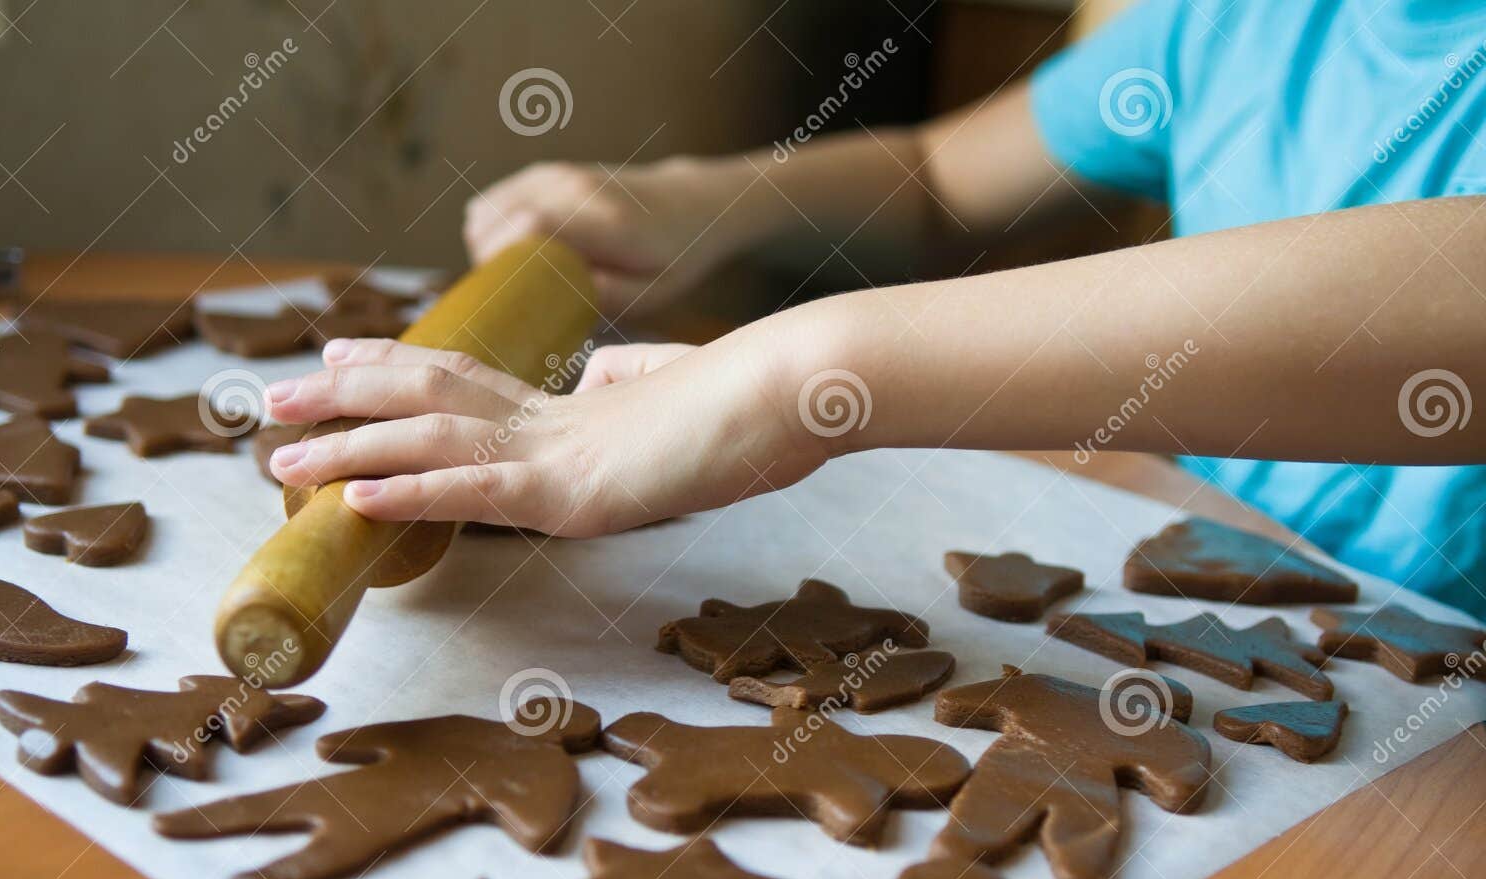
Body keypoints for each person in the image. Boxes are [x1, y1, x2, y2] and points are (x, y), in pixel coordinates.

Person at [266, 0, 1486, 618]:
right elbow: (942, 177)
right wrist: (699, 200)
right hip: (1196, 581)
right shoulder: (1239, 21)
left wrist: (797, 378)